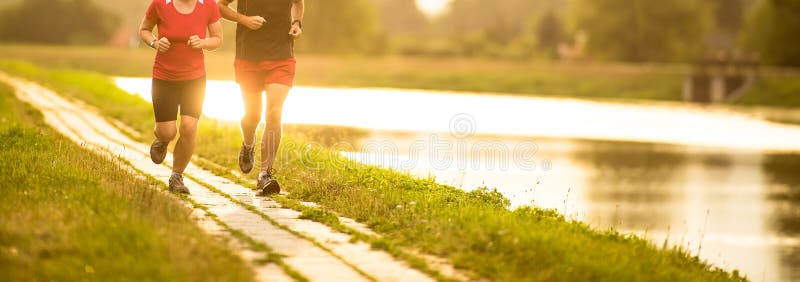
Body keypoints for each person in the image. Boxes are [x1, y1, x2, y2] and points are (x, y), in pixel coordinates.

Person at [217, 0, 304, 195]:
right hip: (249, 55)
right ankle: (249, 143)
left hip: (281, 54)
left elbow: (298, 3)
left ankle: (265, 174)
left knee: (274, 113)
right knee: (252, 116)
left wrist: (297, 23)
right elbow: (219, 6)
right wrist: (244, 20)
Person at [140, 0, 223, 194]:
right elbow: (144, 29)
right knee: (168, 131)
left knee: (189, 127)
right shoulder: (160, 4)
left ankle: (176, 176)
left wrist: (203, 42)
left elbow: (218, 38)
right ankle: (162, 139)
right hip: (164, 78)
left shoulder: (208, 5)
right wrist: (155, 42)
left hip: (194, 79)